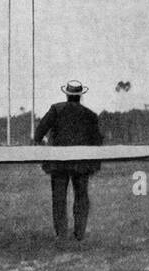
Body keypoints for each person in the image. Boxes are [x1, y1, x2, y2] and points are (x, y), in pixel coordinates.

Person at [33, 80, 103, 242]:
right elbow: (97, 140)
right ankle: (79, 234)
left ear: (66, 94)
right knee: (81, 196)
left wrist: (44, 145)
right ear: (80, 96)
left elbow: (39, 133)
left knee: (59, 198)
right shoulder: (90, 115)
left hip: (58, 163)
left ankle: (61, 234)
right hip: (81, 163)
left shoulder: (56, 109)